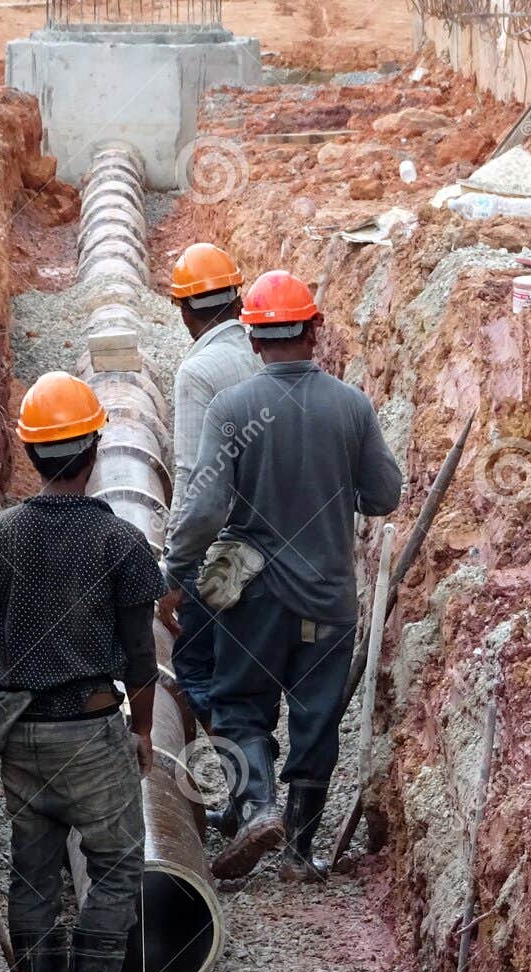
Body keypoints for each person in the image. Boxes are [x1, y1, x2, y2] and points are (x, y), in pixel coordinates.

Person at [165, 270, 403, 884]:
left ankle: (259, 805)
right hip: (328, 598)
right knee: (317, 716)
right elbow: (384, 495)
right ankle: (299, 852)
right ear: (315, 329)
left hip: (255, 598)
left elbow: (205, 506)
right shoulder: (351, 406)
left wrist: (176, 569)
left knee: (241, 706)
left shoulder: (232, 407)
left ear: (251, 339)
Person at [0, 371, 164, 972]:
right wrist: (141, 732)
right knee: (114, 865)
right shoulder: (119, 544)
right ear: (94, 452)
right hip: (90, 728)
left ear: (30, 453)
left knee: (34, 872)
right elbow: (141, 658)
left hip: (21, 733)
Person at [155, 244, 262, 838]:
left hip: (223, 556)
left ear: (185, 311)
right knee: (252, 674)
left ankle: (245, 797)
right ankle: (273, 807)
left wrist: (174, 572)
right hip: (283, 550)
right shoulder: (266, 345)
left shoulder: (198, 372)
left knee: (200, 669)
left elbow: (198, 483)